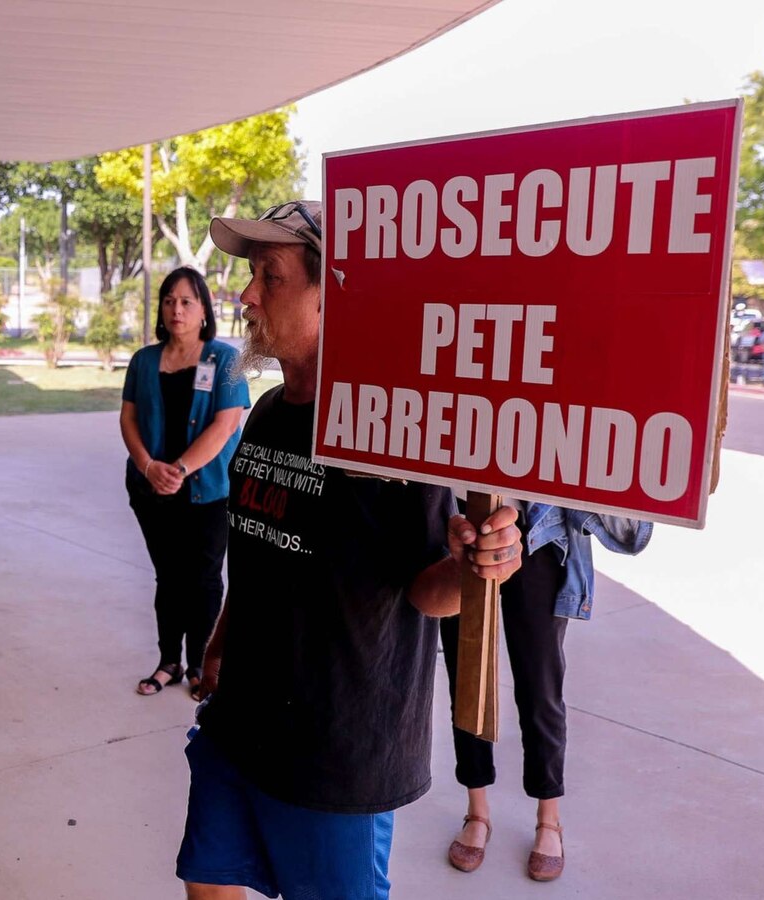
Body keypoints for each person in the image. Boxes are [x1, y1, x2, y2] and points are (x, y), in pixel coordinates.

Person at [177, 200, 525, 900]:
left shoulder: (388, 430)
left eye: (269, 277)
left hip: (336, 745)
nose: (245, 296)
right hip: (241, 718)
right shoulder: (270, 414)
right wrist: (220, 641)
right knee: (208, 884)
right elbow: (255, 549)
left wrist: (475, 567)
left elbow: (426, 591)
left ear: (332, 294)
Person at [441, 500, 651, 882]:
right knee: (466, 675)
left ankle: (548, 820)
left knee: (541, 686)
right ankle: (477, 812)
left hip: (540, 534)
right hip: (461, 520)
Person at [120, 267, 249, 697]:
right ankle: (169, 662)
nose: (177, 309)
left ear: (203, 309)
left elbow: (226, 423)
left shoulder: (225, 360)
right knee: (168, 576)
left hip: (207, 491)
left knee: (206, 578)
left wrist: (177, 470)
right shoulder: (143, 360)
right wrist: (147, 466)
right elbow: (129, 418)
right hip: (150, 491)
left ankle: (202, 666)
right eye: (169, 300)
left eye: (187, 301)